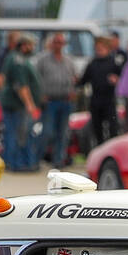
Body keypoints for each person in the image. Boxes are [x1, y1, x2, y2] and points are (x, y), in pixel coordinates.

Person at [0, 34, 43, 171]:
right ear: (24, 46)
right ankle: (15, 163)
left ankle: (12, 162)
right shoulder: (18, 61)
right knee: (17, 134)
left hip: (14, 104)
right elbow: (21, 86)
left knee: (14, 133)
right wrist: (30, 105)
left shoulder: (15, 57)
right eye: (31, 45)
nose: (32, 48)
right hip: (16, 105)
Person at [35, 32, 77, 167]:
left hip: (65, 101)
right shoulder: (43, 60)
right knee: (48, 132)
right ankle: (38, 158)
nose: (58, 45)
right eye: (56, 42)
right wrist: (41, 95)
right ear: (52, 43)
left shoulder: (69, 61)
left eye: (61, 42)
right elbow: (35, 79)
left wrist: (73, 91)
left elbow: (75, 78)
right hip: (50, 101)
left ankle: (58, 160)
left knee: (63, 132)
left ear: (64, 44)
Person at [79, 35, 121, 146]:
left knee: (113, 128)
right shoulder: (92, 63)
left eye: (101, 48)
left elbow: (123, 79)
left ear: (107, 48)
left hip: (109, 100)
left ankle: (112, 149)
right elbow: (83, 80)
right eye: (97, 48)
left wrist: (117, 80)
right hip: (96, 100)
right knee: (97, 129)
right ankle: (99, 150)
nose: (99, 50)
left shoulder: (113, 63)